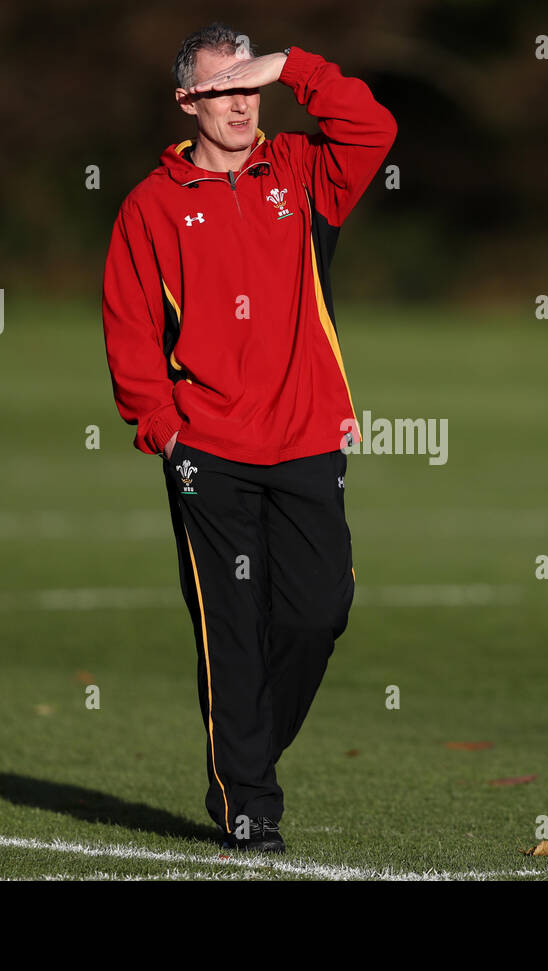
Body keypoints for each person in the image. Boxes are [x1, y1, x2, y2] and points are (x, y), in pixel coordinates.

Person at [101, 22, 396, 853]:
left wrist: (294, 66)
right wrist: (162, 431)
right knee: (229, 624)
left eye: (250, 85)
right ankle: (249, 805)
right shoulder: (149, 206)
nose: (241, 103)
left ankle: (248, 752)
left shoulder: (304, 171)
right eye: (221, 88)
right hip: (208, 455)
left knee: (316, 614)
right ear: (185, 100)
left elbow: (375, 128)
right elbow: (128, 329)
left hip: (307, 439)